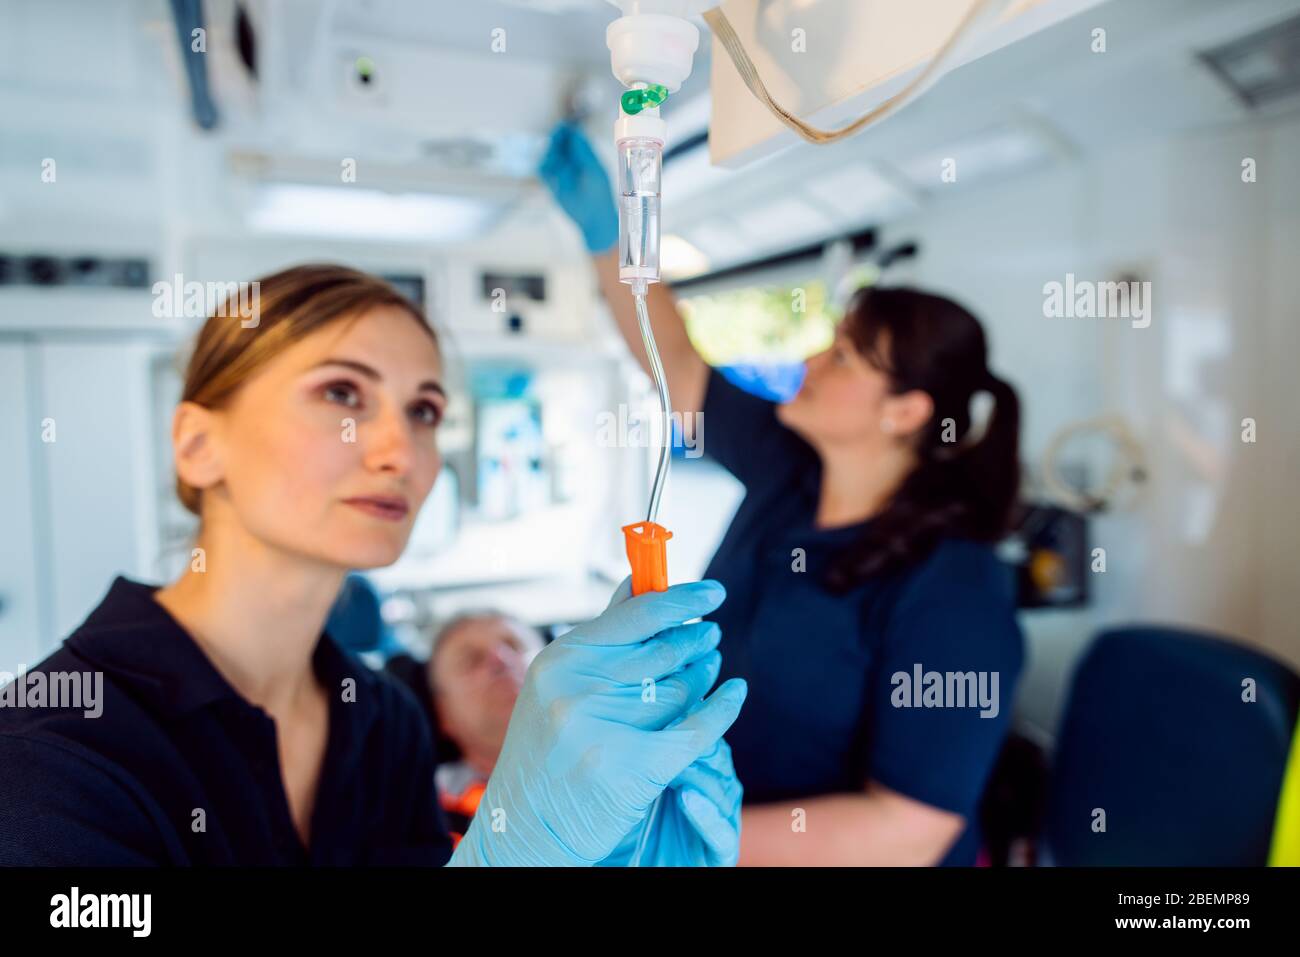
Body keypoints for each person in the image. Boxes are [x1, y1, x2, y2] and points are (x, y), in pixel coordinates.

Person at [0, 264, 746, 867]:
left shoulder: (382, 721)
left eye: (423, 409)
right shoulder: (49, 757)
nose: (400, 451)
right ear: (199, 443)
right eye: (342, 392)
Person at [541, 122, 1025, 865]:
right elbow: (671, 357)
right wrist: (615, 237)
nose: (808, 359)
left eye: (842, 357)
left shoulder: (955, 589)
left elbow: (906, 828)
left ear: (905, 412)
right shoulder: (788, 472)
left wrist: (685, 840)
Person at [381, 611, 545, 844]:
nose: (501, 659)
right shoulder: (416, 813)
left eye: (514, 645)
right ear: (442, 712)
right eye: (472, 660)